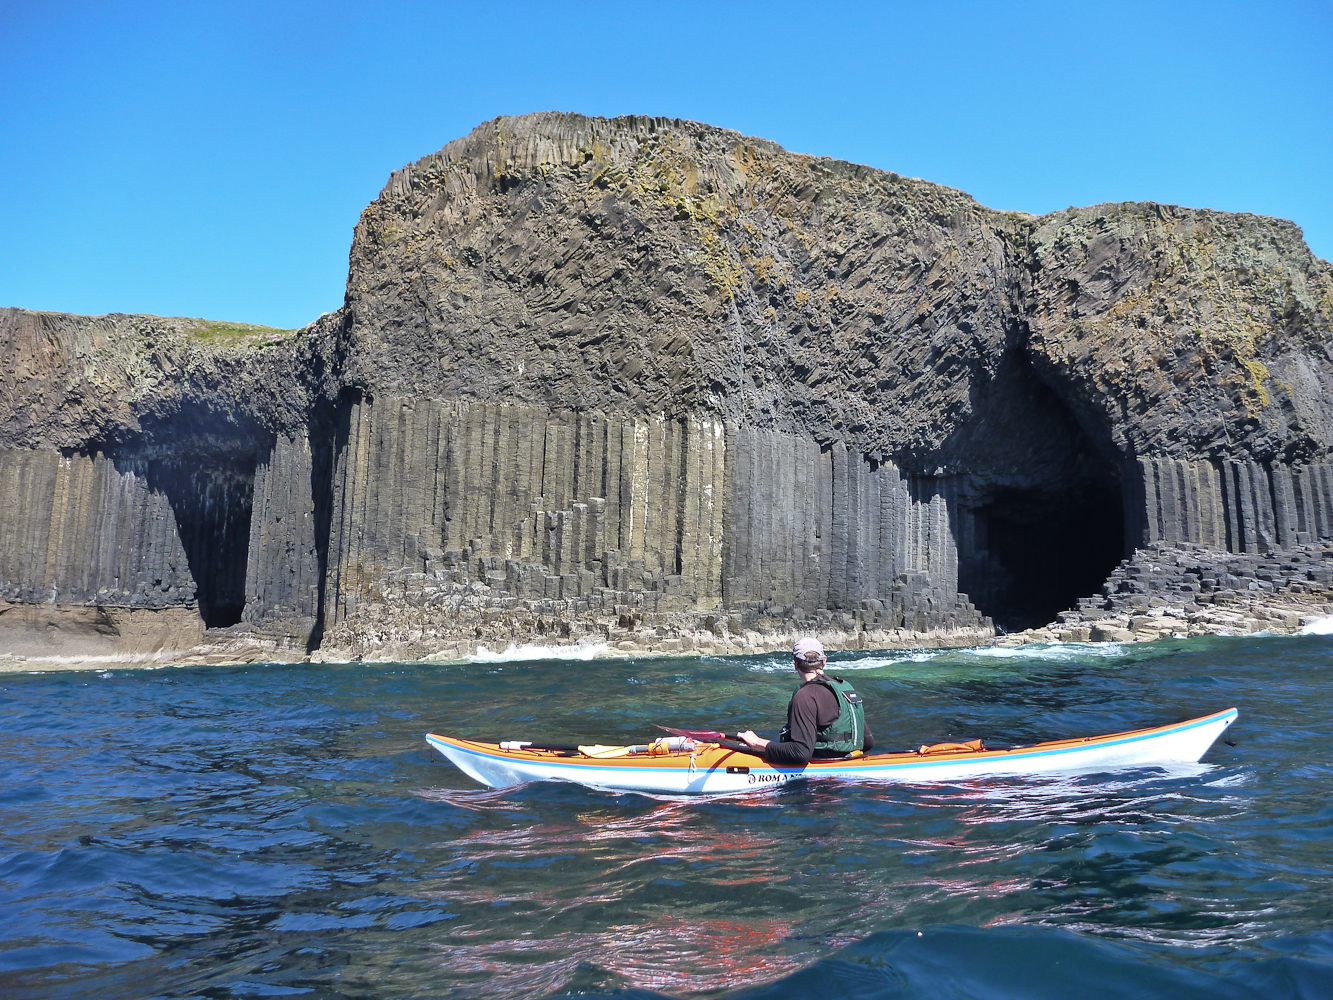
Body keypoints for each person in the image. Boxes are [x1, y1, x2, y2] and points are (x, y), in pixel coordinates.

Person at [737, 637, 874, 766]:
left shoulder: (805, 696)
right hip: (852, 760)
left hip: (823, 781)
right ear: (824, 661)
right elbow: (867, 742)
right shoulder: (845, 687)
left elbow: (800, 753)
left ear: (795, 664)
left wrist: (757, 742)